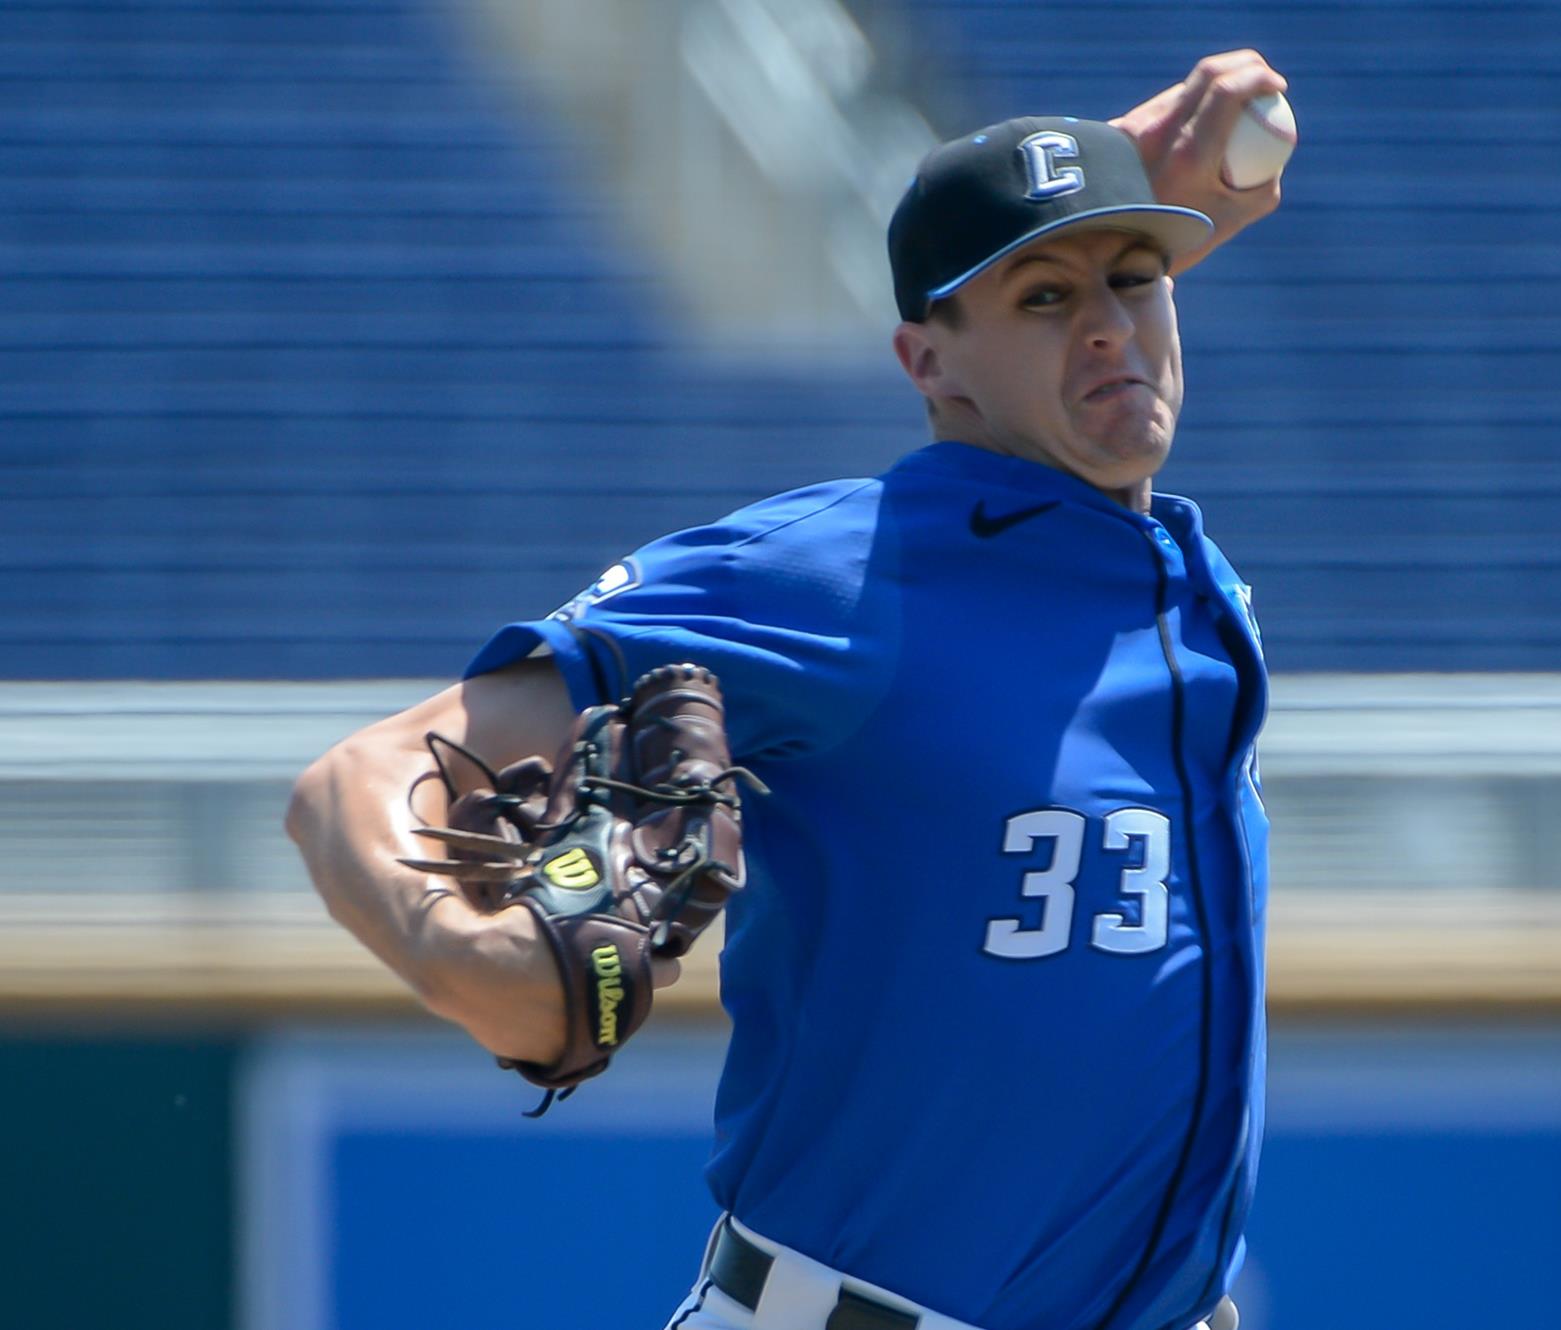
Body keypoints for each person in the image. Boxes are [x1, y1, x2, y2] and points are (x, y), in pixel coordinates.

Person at [288, 50, 1288, 1330]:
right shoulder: (843, 571)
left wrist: (1084, 198)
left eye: (1136, 278)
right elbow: (357, 779)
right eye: (1042, 295)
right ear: (926, 364)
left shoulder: (1177, 579)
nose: (1107, 324)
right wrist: (467, 952)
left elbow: (1075, 320)